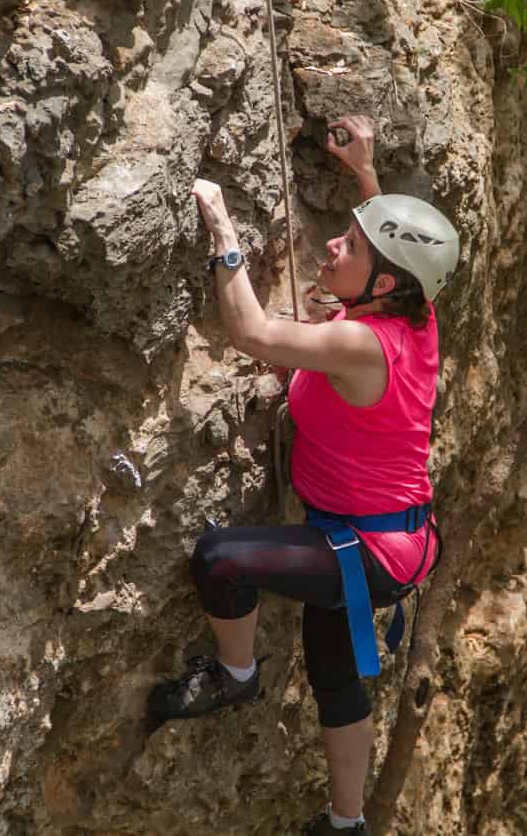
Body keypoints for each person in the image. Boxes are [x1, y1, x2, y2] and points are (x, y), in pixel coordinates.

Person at [149, 115, 460, 835]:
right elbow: (403, 258)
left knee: (221, 559)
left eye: (349, 245)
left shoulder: (357, 340)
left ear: (382, 282)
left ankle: (237, 675)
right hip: (391, 539)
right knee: (335, 676)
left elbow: (254, 334)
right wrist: (366, 171)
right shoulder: (416, 315)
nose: (333, 244)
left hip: (366, 548)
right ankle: (347, 823)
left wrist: (223, 233)